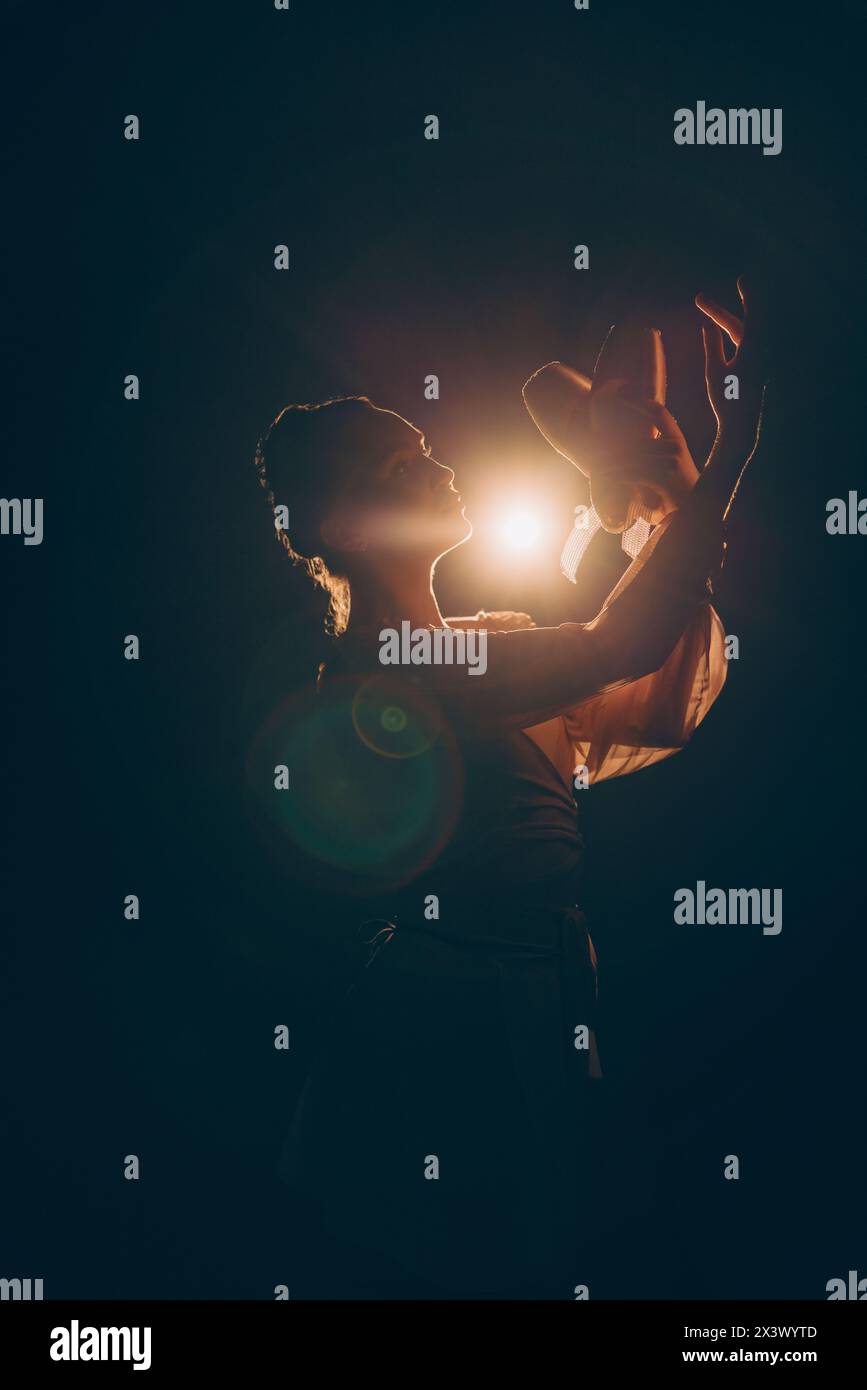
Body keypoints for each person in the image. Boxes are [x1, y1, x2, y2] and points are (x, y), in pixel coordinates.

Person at [252, 280, 768, 1298]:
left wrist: (660, 497)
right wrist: (729, 451)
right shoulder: (393, 672)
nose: (437, 460)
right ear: (350, 526)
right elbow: (617, 641)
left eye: (425, 447)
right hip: (449, 1018)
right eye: (404, 464)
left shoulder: (475, 640)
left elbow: (646, 692)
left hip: (533, 995)